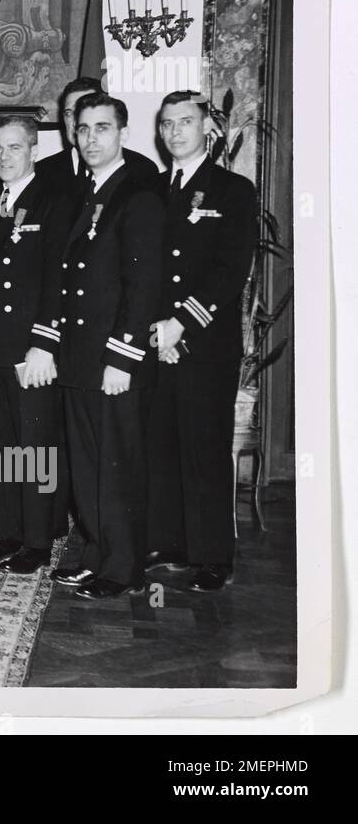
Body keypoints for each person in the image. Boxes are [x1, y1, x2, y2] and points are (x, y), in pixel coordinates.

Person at [51, 92, 163, 599]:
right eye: (83, 129)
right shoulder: (84, 194)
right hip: (79, 356)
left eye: (102, 128)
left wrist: (122, 356)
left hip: (113, 360)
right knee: (88, 464)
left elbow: (143, 289)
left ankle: (124, 569)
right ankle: (96, 554)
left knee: (116, 466)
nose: (91, 138)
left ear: (123, 134)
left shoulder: (137, 196)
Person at [144, 91, 257, 592]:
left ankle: (213, 556)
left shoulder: (233, 189)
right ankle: (171, 544)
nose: (174, 132)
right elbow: (143, 266)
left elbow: (230, 269)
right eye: (167, 124)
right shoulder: (150, 188)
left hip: (205, 343)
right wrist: (156, 329)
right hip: (155, 341)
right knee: (162, 443)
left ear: (208, 127)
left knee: (205, 447)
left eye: (185, 122)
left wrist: (181, 325)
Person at [0, 117, 71, 574]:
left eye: (15, 148)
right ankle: (7, 530)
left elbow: (57, 280)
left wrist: (44, 344)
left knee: (35, 445)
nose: (5, 157)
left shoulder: (54, 203)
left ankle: (38, 539)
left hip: (29, 349)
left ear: (34, 151)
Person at [37, 77, 159, 198]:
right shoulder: (41, 171)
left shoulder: (140, 168)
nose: (76, 121)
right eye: (69, 113)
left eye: (84, 111)